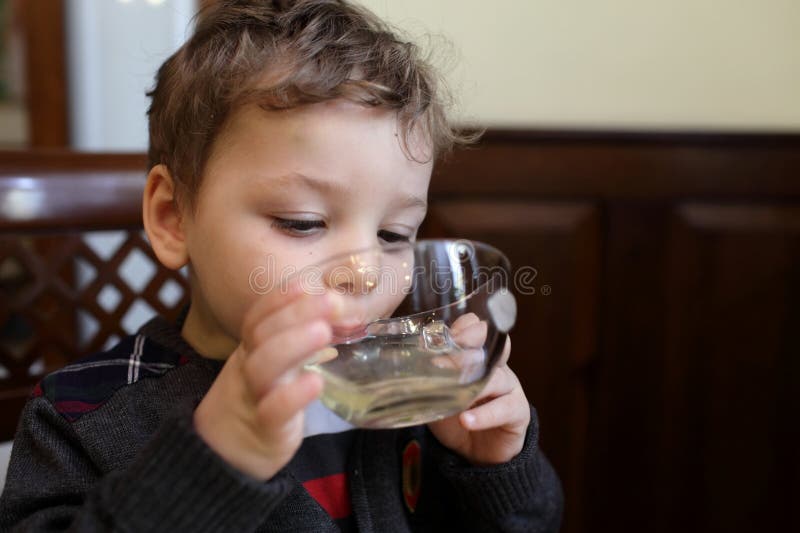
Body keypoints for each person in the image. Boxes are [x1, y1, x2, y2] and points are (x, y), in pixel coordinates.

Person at [0, 1, 563, 531]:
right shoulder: (81, 416)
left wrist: (493, 469)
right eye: (301, 222)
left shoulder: (406, 395)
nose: (363, 273)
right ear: (173, 217)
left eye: (394, 234)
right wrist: (214, 463)